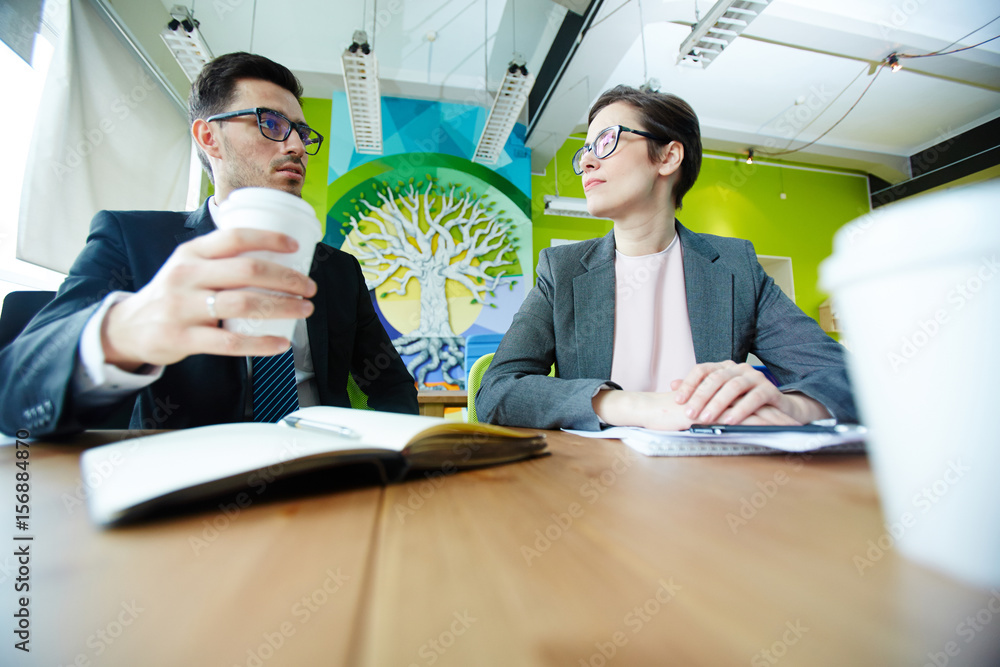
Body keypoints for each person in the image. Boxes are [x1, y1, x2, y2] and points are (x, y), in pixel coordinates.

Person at [0, 52, 417, 437]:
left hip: (318, 477)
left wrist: (394, 462)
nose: (295, 146)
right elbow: (16, 394)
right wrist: (125, 330)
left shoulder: (339, 270)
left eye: (302, 132)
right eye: (271, 123)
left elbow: (390, 384)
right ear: (208, 137)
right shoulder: (132, 240)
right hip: (189, 488)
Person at [477, 85, 857, 431]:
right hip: (593, 479)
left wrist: (794, 407)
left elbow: (846, 375)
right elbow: (497, 393)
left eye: (606, 141)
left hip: (711, 478)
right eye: (585, 150)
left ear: (669, 156)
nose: (587, 163)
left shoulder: (734, 267)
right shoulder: (561, 270)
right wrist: (638, 406)